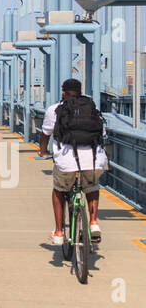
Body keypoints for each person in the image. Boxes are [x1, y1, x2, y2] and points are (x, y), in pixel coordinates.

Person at [38, 78, 108, 244]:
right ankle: (93, 222)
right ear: (80, 91)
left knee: (59, 190)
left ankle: (59, 232)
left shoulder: (55, 109)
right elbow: (102, 133)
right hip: (94, 159)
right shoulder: (92, 108)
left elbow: (45, 134)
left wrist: (43, 150)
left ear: (63, 92)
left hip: (67, 161)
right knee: (91, 186)